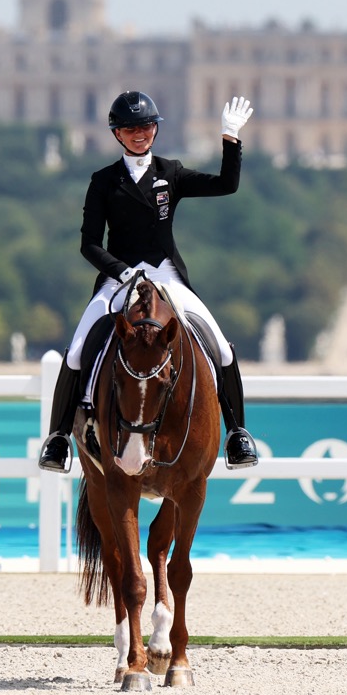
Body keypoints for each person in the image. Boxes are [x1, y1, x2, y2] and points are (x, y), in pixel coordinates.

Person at [38, 90, 259, 472]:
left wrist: (230, 137)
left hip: (165, 273)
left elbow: (227, 184)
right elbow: (89, 243)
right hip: (120, 277)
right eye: (130, 129)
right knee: (76, 351)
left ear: (155, 129)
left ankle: (237, 434)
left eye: (146, 127)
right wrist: (121, 271)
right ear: (117, 134)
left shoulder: (170, 172)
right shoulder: (104, 181)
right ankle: (58, 439)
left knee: (221, 348)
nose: (139, 135)